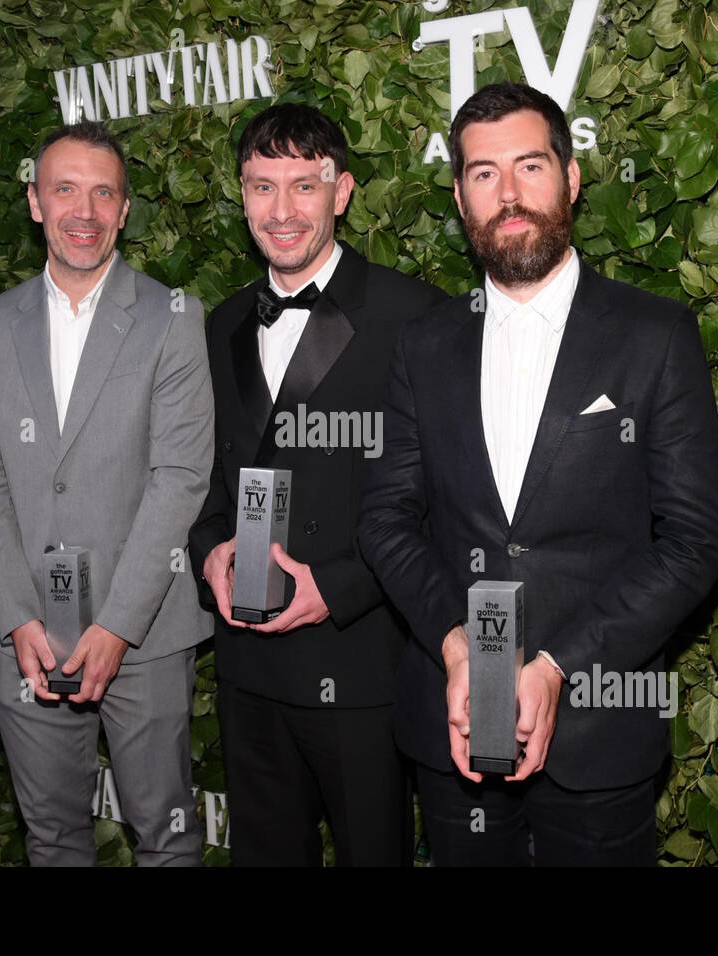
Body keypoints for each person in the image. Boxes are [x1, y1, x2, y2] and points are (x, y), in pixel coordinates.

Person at [357, 83, 718, 866]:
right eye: (484, 173)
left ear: (571, 176)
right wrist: (457, 648)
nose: (510, 193)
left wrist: (560, 666)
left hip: (600, 736)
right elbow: (386, 518)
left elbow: (695, 541)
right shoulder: (423, 346)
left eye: (530, 165)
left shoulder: (654, 334)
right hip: (452, 727)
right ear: (460, 196)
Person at [188, 103, 446, 866]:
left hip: (360, 659)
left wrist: (336, 587)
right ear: (241, 196)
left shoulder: (415, 316)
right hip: (246, 668)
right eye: (262, 187)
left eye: (305, 186)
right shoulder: (223, 322)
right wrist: (208, 552)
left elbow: (441, 497)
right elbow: (205, 476)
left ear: (344, 192)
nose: (282, 210)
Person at [0, 120, 214, 866]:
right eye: (65, 189)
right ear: (35, 201)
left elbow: (181, 477)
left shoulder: (172, 319)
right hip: (26, 637)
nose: (85, 210)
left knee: (166, 842)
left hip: (146, 635)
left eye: (104, 193)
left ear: (125, 210)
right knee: (53, 839)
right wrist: (16, 618)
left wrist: (116, 628)